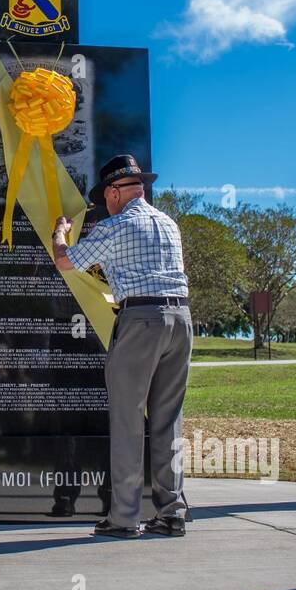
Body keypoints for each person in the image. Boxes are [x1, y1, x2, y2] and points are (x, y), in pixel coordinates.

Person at [52, 154, 192, 539]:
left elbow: (66, 263)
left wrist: (60, 232)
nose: (104, 205)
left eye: (105, 198)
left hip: (141, 320)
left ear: (115, 192)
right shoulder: (169, 223)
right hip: (181, 321)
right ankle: (172, 512)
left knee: (129, 420)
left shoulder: (117, 225)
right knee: (168, 420)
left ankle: (125, 517)